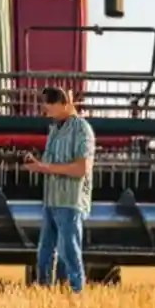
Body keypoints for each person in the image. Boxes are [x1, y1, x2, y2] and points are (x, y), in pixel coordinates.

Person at [22, 86, 96, 293]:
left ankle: (75, 293)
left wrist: (43, 167)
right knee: (45, 254)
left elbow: (82, 168)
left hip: (70, 202)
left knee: (69, 253)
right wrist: (35, 163)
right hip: (51, 200)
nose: (46, 112)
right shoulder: (54, 129)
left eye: (50, 107)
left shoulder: (82, 129)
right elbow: (49, 162)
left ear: (64, 104)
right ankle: (45, 295)